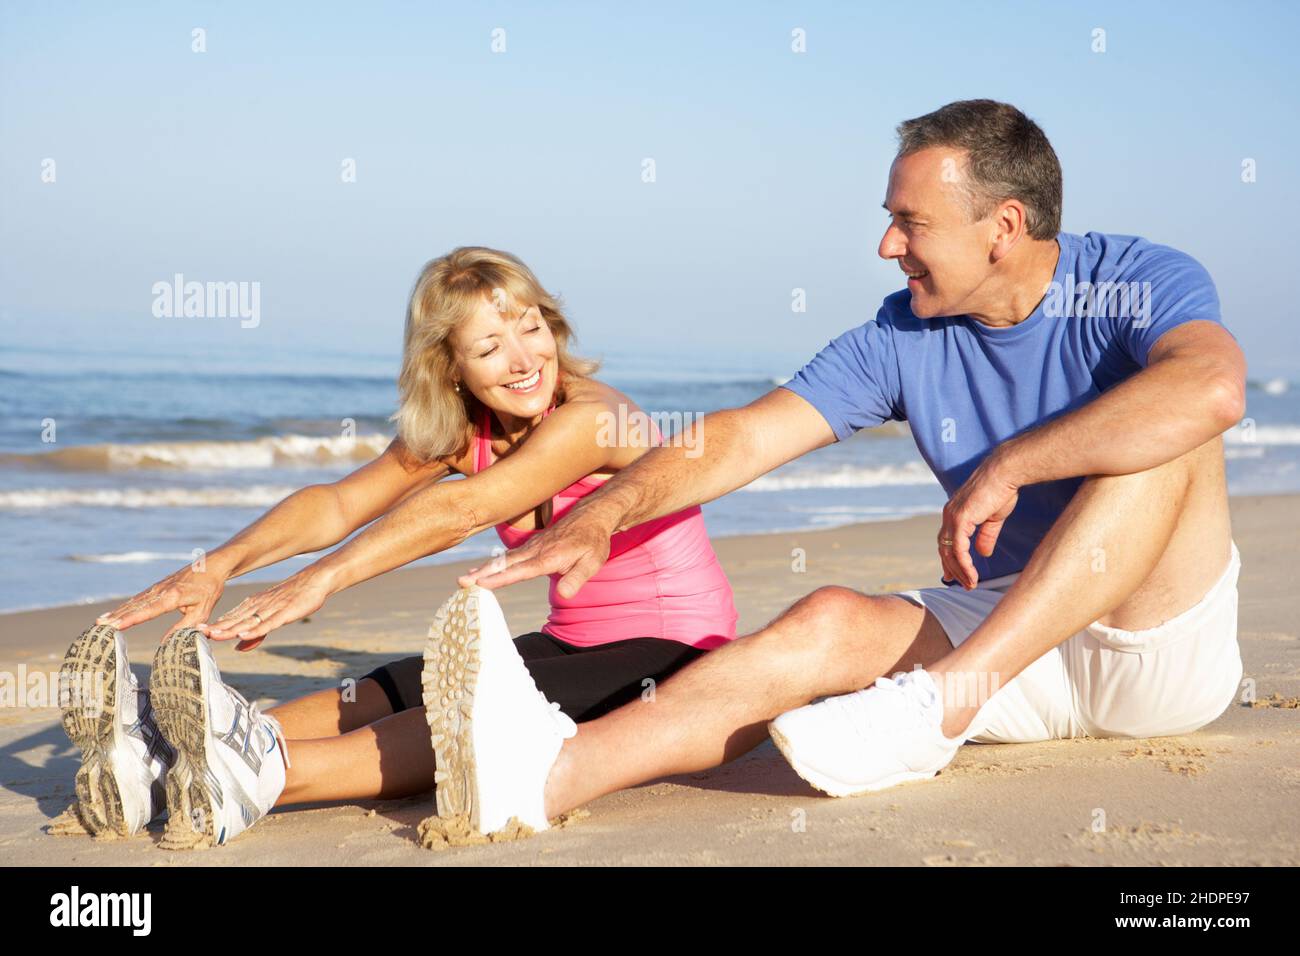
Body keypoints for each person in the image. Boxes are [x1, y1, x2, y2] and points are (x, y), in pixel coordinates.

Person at [443, 100, 1248, 832]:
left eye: (911, 222)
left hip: (1155, 647)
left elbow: (1211, 389)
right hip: (1016, 633)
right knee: (825, 618)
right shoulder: (904, 334)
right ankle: (549, 776)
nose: (887, 244)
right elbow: (747, 436)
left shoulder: (1131, 282)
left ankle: (942, 704)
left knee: (1164, 425)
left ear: (1003, 225)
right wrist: (606, 511)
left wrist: (1013, 463)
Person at [55, 247, 738, 847]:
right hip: (572, 641)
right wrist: (217, 567)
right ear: (450, 368)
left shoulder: (593, 418)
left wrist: (323, 579)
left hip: (677, 654)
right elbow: (340, 502)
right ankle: (163, 757)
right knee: (400, 682)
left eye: (531, 327)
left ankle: (263, 774)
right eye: (491, 345)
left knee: (465, 711)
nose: (525, 359)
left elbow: (466, 510)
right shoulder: (464, 429)